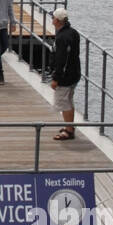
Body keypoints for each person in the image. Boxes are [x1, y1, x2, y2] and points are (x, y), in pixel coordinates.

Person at [50, 8, 81, 141]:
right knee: (69, 100)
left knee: (64, 102)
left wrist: (56, 78)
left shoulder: (62, 37)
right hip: (75, 73)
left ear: (57, 20)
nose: (52, 20)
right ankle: (69, 126)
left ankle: (68, 131)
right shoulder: (73, 32)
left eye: (53, 18)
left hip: (66, 76)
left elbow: (62, 59)